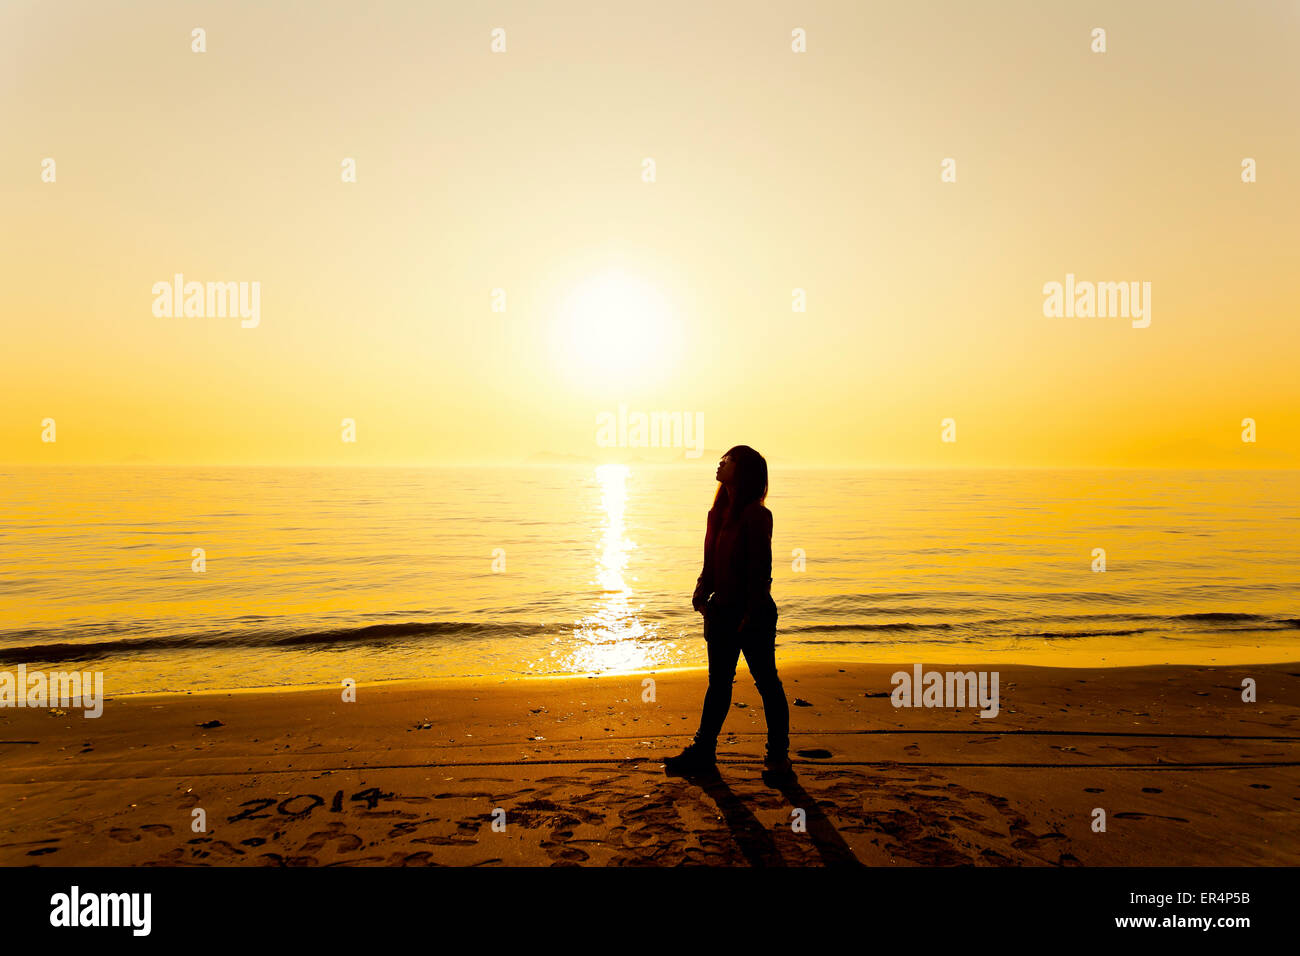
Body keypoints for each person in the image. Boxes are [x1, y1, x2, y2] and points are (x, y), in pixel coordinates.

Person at [664, 445, 792, 777]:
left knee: (767, 683)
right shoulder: (716, 514)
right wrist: (700, 591)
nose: (720, 464)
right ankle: (704, 752)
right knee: (719, 684)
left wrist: (751, 614)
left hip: (753, 614)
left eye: (727, 460)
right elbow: (709, 562)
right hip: (721, 612)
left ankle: (778, 758)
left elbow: (761, 570)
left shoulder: (756, 515)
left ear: (743, 469)